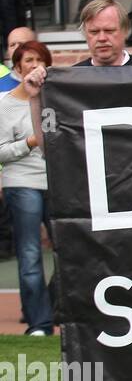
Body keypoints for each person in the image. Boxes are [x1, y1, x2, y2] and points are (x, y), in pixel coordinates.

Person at [1, 39, 53, 336]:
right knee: (30, 253)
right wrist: (29, 143)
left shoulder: (57, 97)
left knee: (71, 249)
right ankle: (39, 324)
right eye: (28, 60)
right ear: (18, 67)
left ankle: (54, 307)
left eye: (39, 60)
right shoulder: (5, 103)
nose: (34, 65)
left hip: (56, 181)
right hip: (21, 183)